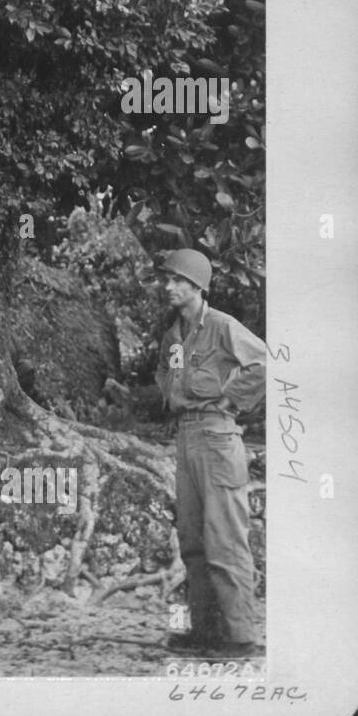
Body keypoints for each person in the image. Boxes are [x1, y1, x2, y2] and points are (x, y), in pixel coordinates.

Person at [153, 249, 267, 657]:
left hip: (218, 439)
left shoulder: (221, 326)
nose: (169, 287)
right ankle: (204, 630)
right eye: (166, 280)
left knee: (225, 541)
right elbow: (167, 373)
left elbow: (264, 364)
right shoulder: (175, 334)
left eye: (177, 280)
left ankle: (240, 637)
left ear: (197, 286)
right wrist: (173, 391)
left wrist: (228, 396)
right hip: (186, 439)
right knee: (193, 540)